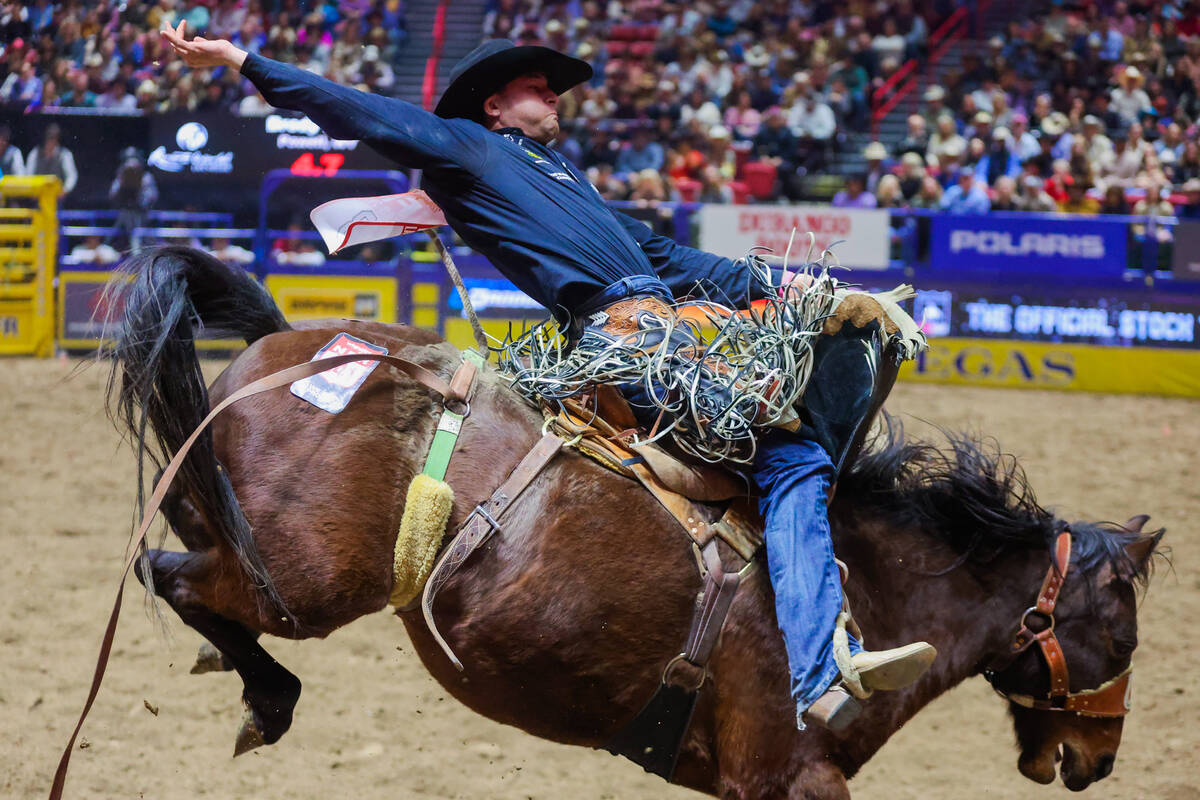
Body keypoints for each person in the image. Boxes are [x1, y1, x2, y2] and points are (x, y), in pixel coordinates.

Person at [160, 23, 935, 730]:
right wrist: (243, 62)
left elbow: (671, 259)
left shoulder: (565, 178)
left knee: (810, 420)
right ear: (497, 106)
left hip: (669, 333)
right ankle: (815, 667)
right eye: (538, 85)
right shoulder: (468, 145)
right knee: (794, 455)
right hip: (632, 346)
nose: (555, 92)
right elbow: (364, 113)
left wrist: (793, 288)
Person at [109, 147, 158, 251]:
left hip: (142, 217)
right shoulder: (120, 178)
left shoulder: (146, 178)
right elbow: (112, 195)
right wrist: (123, 186)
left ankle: (138, 253)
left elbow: (152, 196)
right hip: (123, 218)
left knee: (142, 240)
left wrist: (139, 196)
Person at [24, 123, 78, 199]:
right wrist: (32, 189)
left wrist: (65, 190)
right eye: (49, 137)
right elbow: (28, 175)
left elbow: (72, 176)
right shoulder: (35, 153)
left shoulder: (64, 154)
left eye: (53, 137)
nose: (51, 140)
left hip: (56, 196)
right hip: (38, 195)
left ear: (57, 139)